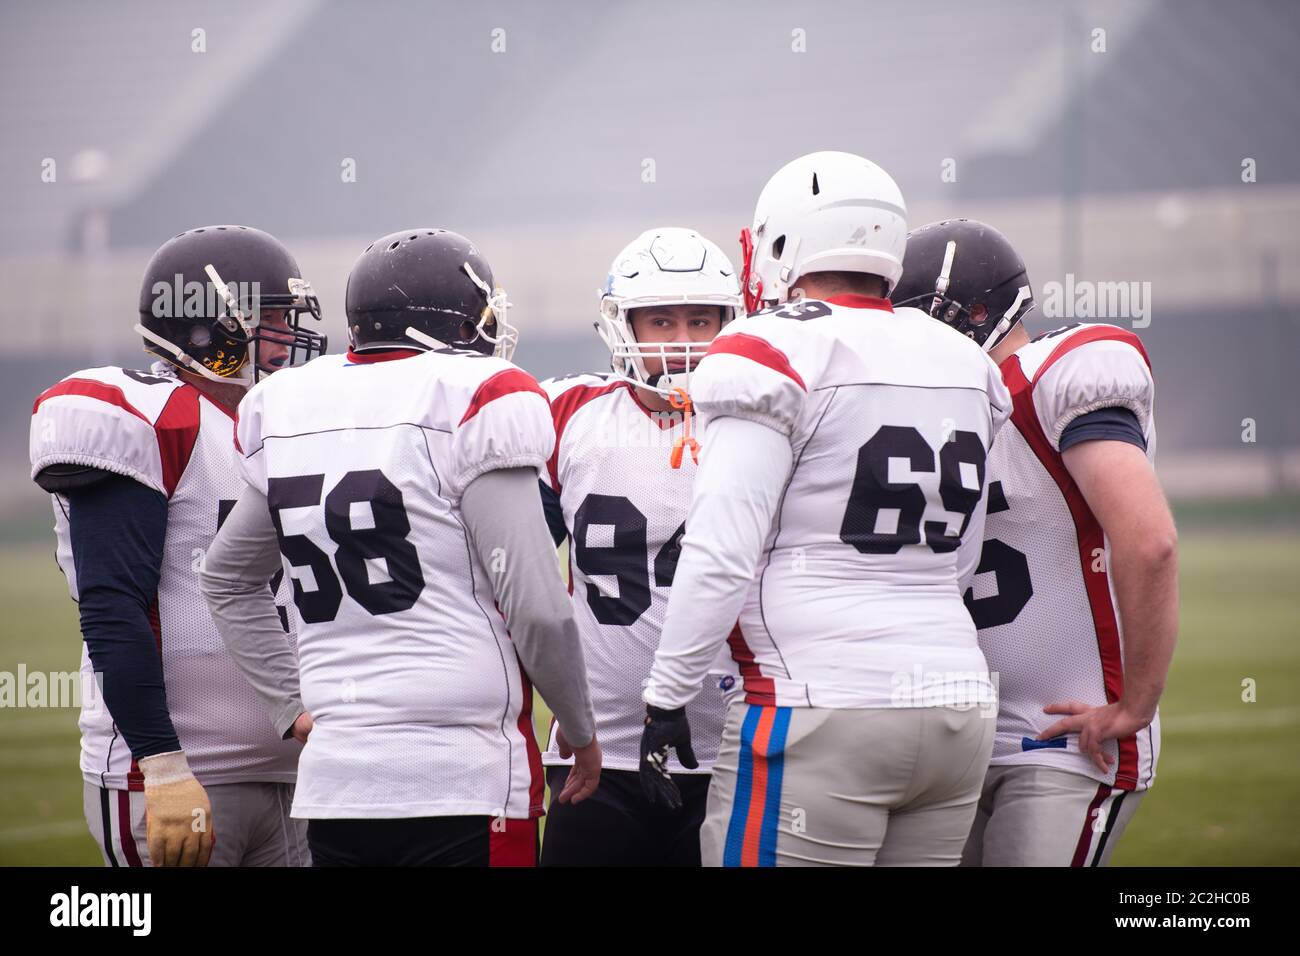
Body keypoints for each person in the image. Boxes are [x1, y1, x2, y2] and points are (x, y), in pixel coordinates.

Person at [639, 151, 1012, 866]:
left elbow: (721, 550)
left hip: (818, 705)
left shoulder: (772, 349)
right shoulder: (965, 360)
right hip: (956, 706)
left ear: (779, 244)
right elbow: (960, 557)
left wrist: (666, 696)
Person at [199, 227, 599, 866]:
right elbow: (538, 605)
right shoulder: (468, 397)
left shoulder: (292, 402)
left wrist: (288, 703)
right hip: (465, 777)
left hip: (337, 784)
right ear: (460, 323)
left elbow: (225, 577)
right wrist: (581, 733)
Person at [29, 224, 327, 867]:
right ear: (205, 328)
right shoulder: (151, 415)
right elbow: (113, 606)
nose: (286, 341)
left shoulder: (280, 422)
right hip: (183, 774)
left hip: (298, 773)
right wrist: (161, 767)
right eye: (271, 321)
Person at [891, 218, 1176, 866]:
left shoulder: (1060, 375)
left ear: (982, 312)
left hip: (1064, 742)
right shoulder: (921, 409)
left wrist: (1136, 703)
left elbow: (1151, 541)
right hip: (950, 739)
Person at [537, 227, 742, 866]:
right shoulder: (566, 413)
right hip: (597, 750)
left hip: (734, 744)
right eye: (660, 319)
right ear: (622, 325)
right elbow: (507, 571)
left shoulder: (762, 421)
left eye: (700, 319)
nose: (681, 338)